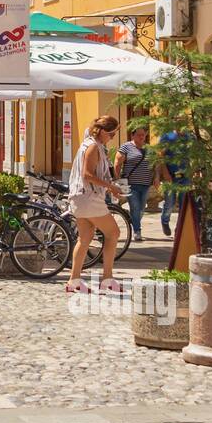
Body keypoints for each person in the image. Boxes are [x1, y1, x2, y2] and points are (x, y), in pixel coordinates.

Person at [65, 115, 127, 296]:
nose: (113, 137)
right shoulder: (93, 147)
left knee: (85, 238)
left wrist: (109, 188)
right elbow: (87, 174)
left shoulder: (91, 143)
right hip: (88, 199)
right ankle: (107, 279)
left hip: (80, 198)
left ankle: (74, 281)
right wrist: (111, 187)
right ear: (102, 131)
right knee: (113, 232)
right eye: (112, 134)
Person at [114, 126, 155, 242]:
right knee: (136, 207)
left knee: (141, 208)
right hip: (131, 184)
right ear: (132, 135)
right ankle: (137, 231)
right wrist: (118, 181)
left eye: (144, 134)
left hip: (146, 184)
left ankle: (134, 219)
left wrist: (156, 177)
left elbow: (156, 164)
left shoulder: (149, 148)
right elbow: (117, 163)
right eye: (139, 135)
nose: (142, 137)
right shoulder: (126, 147)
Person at [158, 129, 186, 237]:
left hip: (185, 176)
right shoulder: (167, 136)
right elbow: (161, 156)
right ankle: (165, 221)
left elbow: (193, 156)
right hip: (170, 175)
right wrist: (165, 173)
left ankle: (179, 229)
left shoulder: (189, 137)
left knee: (184, 203)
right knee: (170, 202)